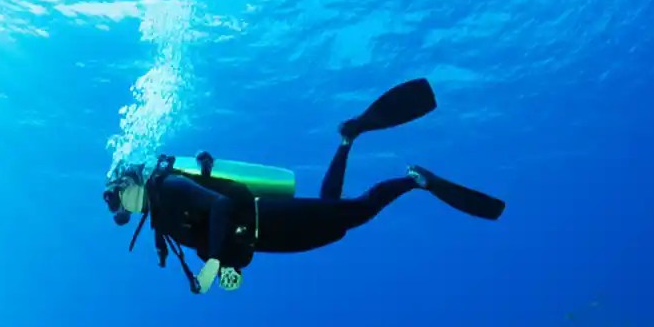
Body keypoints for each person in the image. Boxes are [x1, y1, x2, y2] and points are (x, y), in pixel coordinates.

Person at [102, 78, 506, 293]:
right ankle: (348, 138)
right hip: (270, 238)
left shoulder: (169, 188)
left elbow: (223, 209)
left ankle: (416, 180)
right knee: (334, 217)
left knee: (356, 212)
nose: (118, 207)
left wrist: (210, 267)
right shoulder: (161, 222)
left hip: (268, 217)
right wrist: (227, 267)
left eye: (115, 196)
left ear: (130, 181)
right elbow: (211, 237)